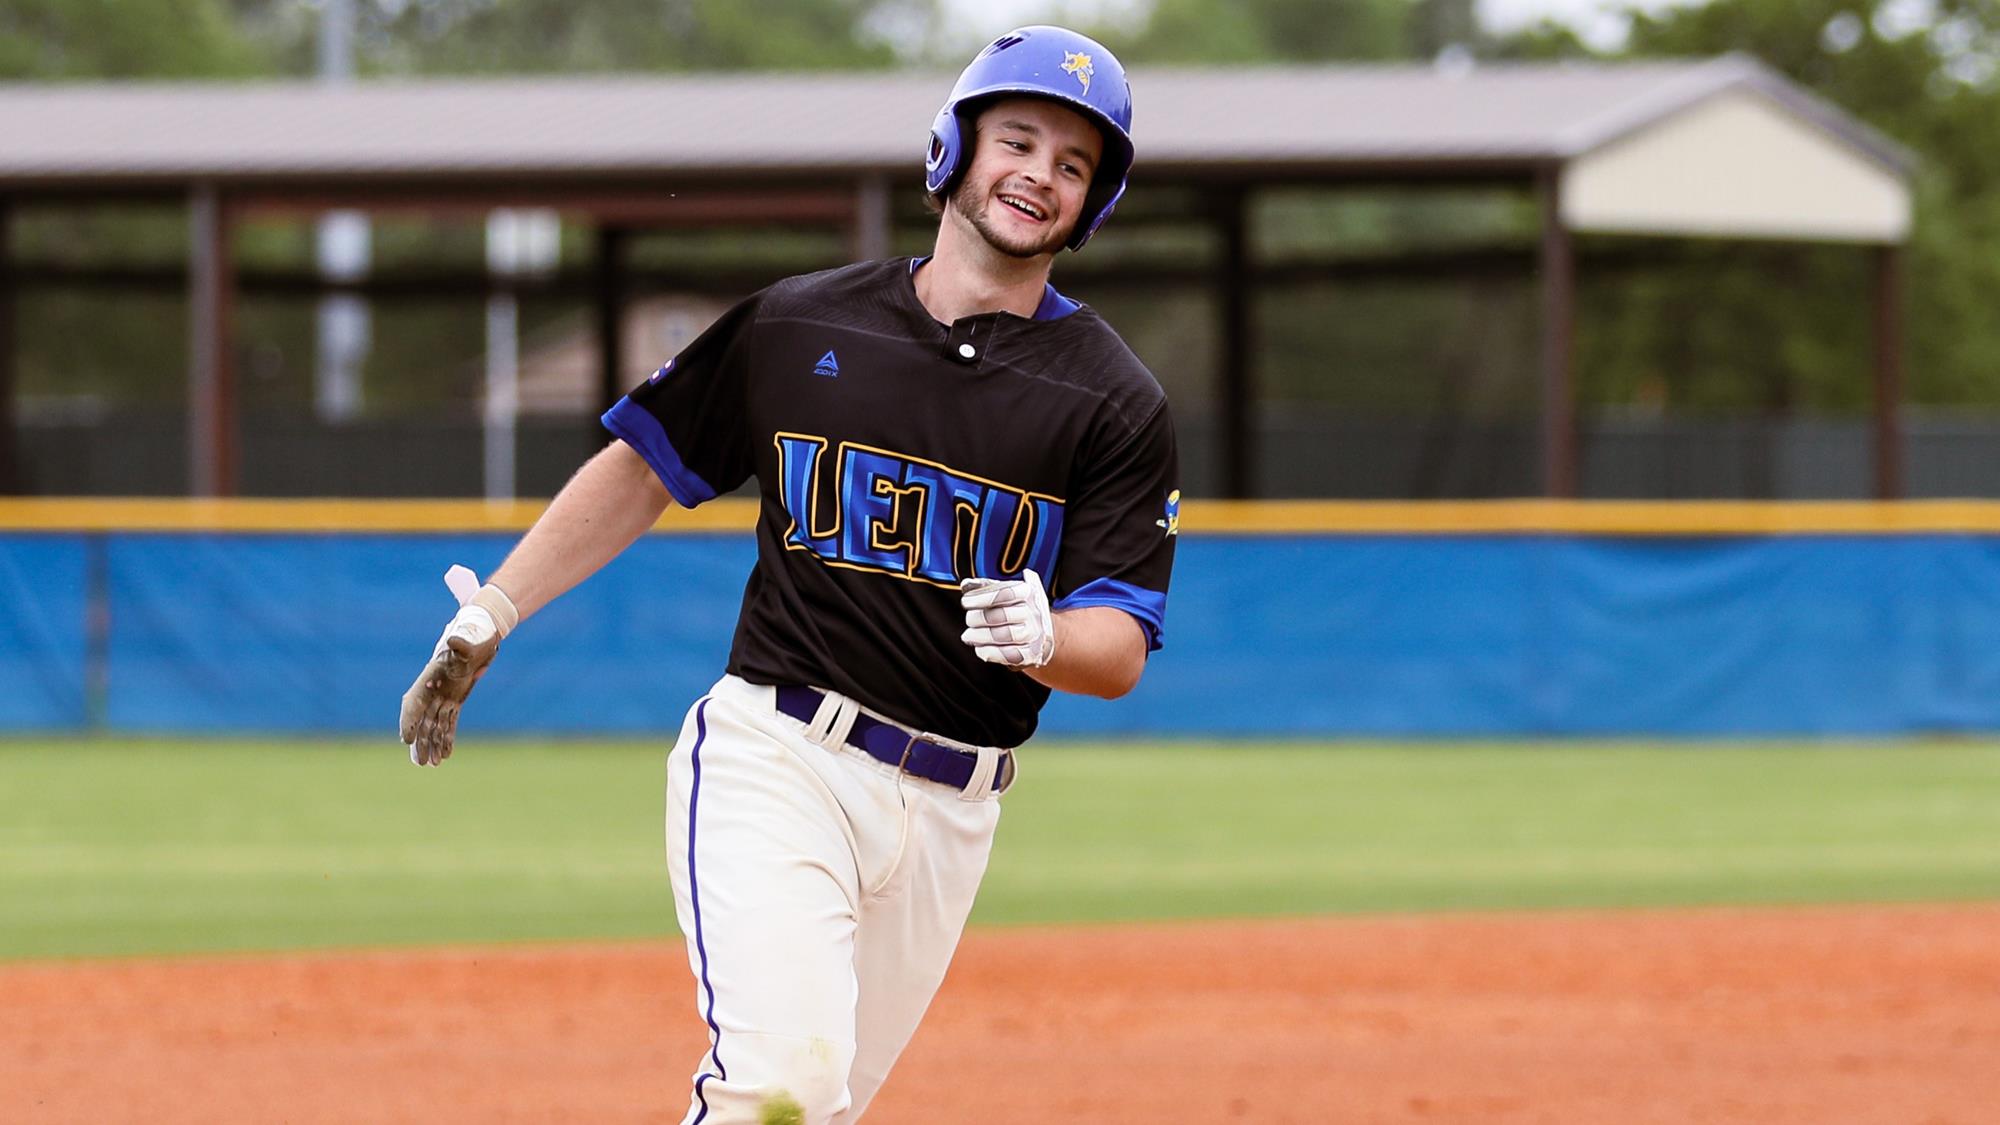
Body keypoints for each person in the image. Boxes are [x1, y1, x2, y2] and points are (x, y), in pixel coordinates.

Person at [399, 25, 1177, 1124]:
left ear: (1092, 202)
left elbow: (1121, 645)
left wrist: (1050, 636)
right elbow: (643, 467)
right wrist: (491, 611)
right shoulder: (803, 320)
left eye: (1072, 163)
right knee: (785, 1088)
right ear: (954, 146)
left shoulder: (1114, 400)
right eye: (1017, 141)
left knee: (810, 1112)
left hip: (955, 809)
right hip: (782, 755)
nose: (1039, 175)